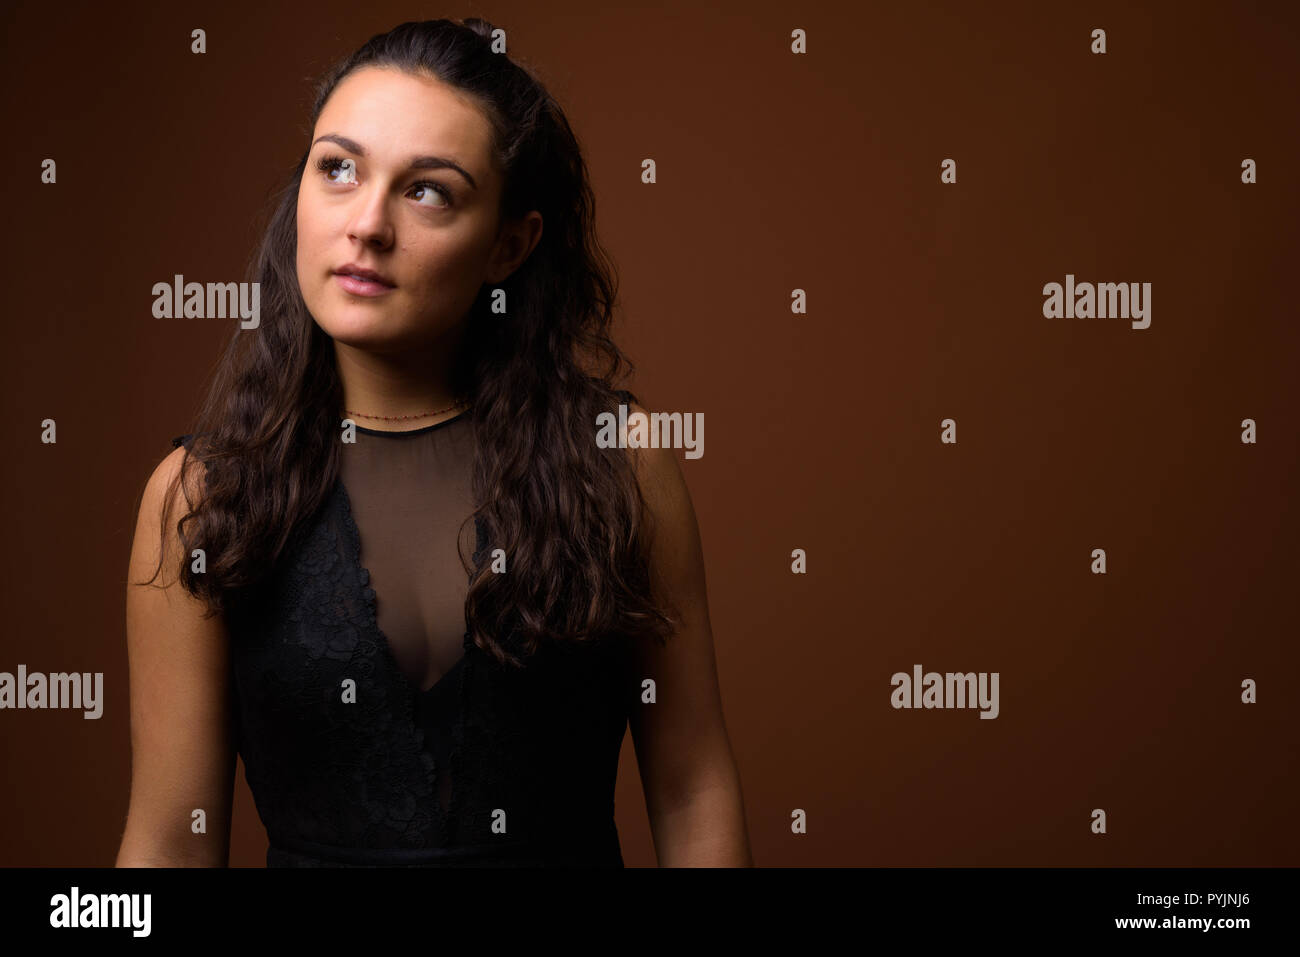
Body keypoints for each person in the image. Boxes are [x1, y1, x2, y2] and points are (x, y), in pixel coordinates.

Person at [115, 18, 751, 867]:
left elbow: (691, 790)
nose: (367, 223)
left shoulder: (622, 464)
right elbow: (168, 840)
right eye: (337, 168)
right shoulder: (197, 497)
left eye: (428, 191)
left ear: (509, 245)